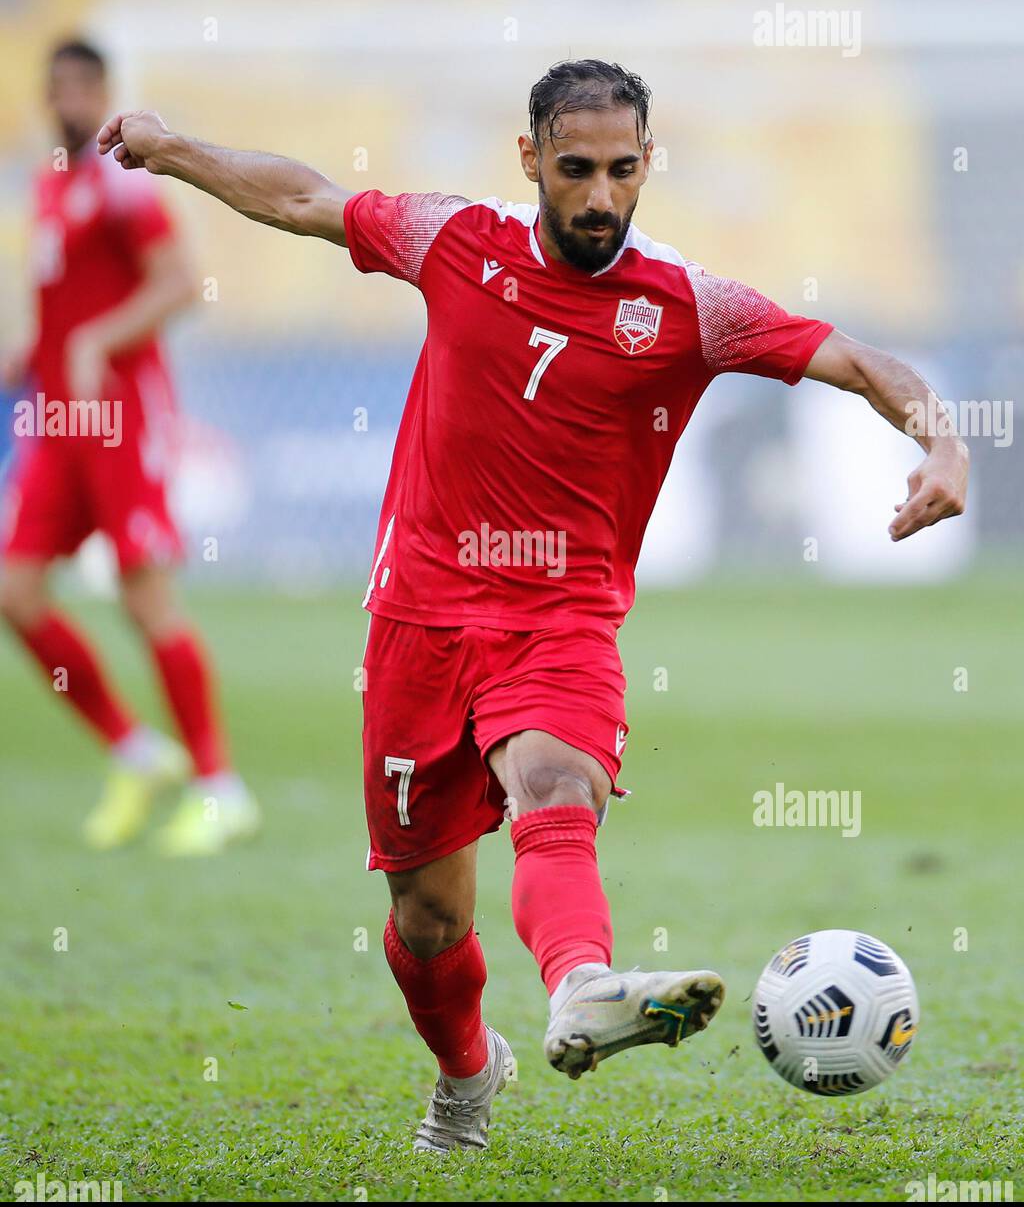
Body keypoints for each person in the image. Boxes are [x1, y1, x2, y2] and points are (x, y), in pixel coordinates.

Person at [95, 58, 968, 1149]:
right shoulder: (453, 240)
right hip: (416, 620)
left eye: (619, 170)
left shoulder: (690, 306)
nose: (599, 196)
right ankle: (467, 1071)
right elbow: (306, 199)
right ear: (530, 161)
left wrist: (942, 439)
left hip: (561, 622)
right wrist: (174, 149)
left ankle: (582, 984)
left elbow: (857, 360)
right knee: (426, 920)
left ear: (646, 163)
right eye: (574, 170)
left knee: (556, 785)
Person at [0, 39, 259, 856]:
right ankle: (136, 751)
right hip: (58, 421)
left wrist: (96, 340)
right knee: (15, 589)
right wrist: (32, 355)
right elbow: (64, 302)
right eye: (59, 83)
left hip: (121, 420)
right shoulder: (51, 184)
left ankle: (221, 788)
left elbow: (181, 283)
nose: (70, 98)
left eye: (85, 85)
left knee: (144, 599)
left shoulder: (121, 187)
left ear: (106, 92)